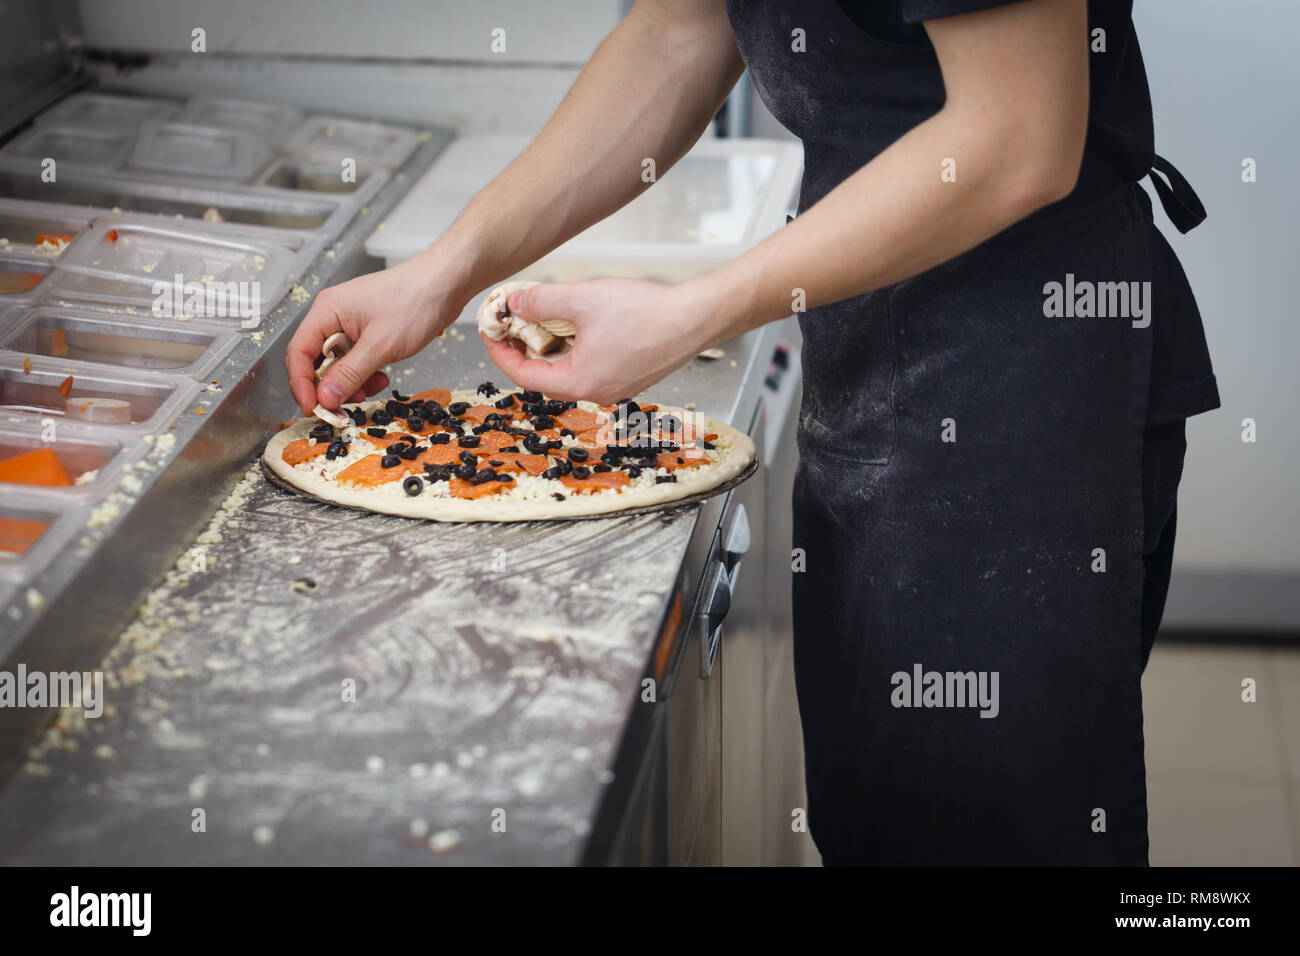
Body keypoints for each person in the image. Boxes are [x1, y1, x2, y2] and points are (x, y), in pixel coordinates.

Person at [286, 0, 1218, 865]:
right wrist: (442, 272)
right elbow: (677, 34)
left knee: (984, 832)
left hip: (1021, 378)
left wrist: (694, 314)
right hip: (873, 356)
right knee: (888, 817)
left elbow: (1019, 137)